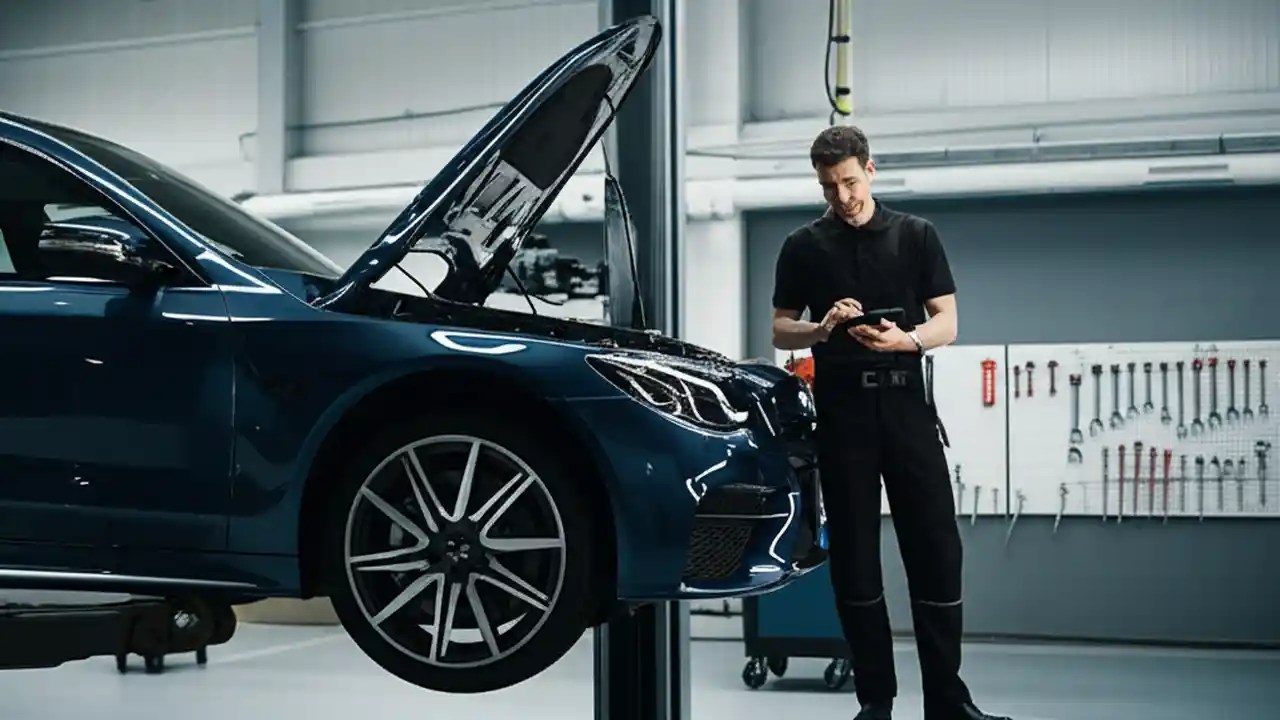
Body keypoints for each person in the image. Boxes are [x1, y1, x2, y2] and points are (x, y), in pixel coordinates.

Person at [771, 126, 1010, 720]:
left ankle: (947, 702)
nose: (842, 196)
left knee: (936, 549)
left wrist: (906, 339)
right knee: (853, 557)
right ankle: (876, 701)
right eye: (829, 186)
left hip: (906, 409)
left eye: (850, 181)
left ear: (871, 170)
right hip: (842, 417)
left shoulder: (916, 236)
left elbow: (947, 322)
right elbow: (780, 329)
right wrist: (822, 330)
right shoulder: (802, 246)